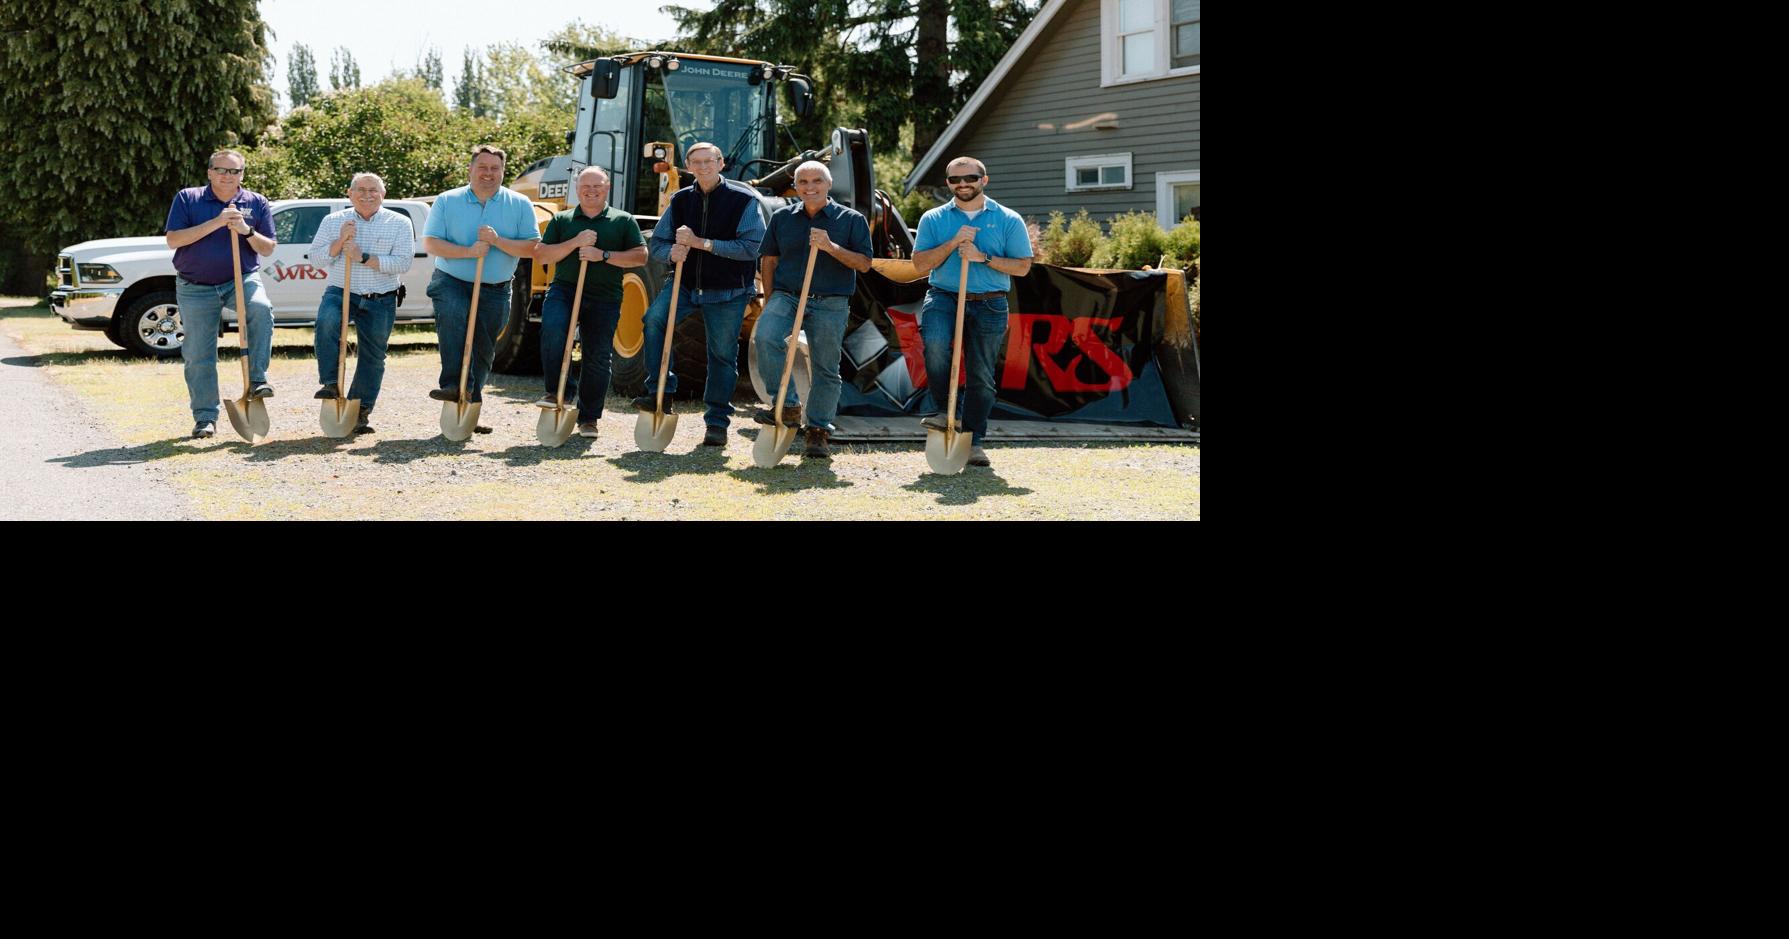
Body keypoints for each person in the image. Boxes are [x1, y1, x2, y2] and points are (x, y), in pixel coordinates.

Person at [633, 142, 765, 448]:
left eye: (709, 161)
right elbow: (657, 244)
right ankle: (660, 392)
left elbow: (751, 248)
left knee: (721, 355)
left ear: (720, 164)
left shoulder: (743, 201)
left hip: (728, 291)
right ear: (688, 167)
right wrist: (671, 251)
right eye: (697, 162)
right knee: (654, 320)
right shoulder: (679, 201)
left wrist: (701, 243)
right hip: (686, 285)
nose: (703, 167)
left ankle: (717, 423)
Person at [909, 156, 1033, 468]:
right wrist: (954, 242)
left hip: (990, 301)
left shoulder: (1008, 219)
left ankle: (974, 439)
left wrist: (983, 257)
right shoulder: (934, 219)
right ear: (948, 183)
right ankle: (942, 410)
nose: (963, 184)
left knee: (981, 376)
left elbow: (1022, 266)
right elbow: (920, 264)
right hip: (944, 296)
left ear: (984, 180)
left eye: (971, 177)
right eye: (955, 179)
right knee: (935, 346)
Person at [753, 161, 871, 459]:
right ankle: (788, 405)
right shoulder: (782, 218)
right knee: (766, 336)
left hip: (831, 301)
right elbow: (769, 260)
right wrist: (770, 299)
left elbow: (864, 264)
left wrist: (831, 246)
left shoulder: (851, 220)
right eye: (803, 182)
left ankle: (817, 430)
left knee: (826, 367)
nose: (810, 187)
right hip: (788, 295)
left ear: (829, 184)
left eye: (817, 181)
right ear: (796, 185)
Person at [420, 145, 540, 432]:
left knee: (484, 349)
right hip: (451, 280)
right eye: (482, 167)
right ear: (471, 170)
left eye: (494, 168)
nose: (488, 173)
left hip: (496, 287)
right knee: (453, 318)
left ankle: (470, 402)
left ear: (502, 172)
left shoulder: (520, 204)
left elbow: (532, 247)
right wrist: (468, 252)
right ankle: (451, 386)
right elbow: (431, 243)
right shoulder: (447, 200)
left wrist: (497, 242)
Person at [163, 148, 277, 439]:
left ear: (242, 174)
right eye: (222, 170)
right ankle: (205, 418)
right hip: (195, 285)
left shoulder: (256, 202)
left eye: (235, 171)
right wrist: (217, 221)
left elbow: (267, 249)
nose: (228, 176)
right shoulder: (188, 198)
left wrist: (245, 230)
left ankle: (256, 381)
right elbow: (174, 239)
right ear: (210, 172)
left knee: (261, 309)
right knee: (198, 354)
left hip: (241, 278)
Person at [531, 166, 648, 437]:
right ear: (577, 189)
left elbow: (640, 257)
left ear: (607, 188)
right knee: (553, 330)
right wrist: (575, 242)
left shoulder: (623, 220)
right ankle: (557, 392)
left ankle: (589, 418)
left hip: (604, 296)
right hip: (565, 290)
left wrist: (602, 255)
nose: (591, 190)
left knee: (597, 356)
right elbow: (543, 256)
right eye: (586, 186)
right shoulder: (562, 220)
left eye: (597, 186)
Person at [307, 172, 413, 434]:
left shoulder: (399, 222)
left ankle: (360, 410)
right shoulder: (333, 221)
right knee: (327, 322)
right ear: (350, 194)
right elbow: (316, 260)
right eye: (361, 190)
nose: (367, 195)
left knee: (373, 356)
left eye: (373, 190)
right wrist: (340, 241)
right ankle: (331, 383)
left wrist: (363, 257)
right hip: (342, 290)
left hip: (382, 296)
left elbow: (402, 263)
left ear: (383, 194)